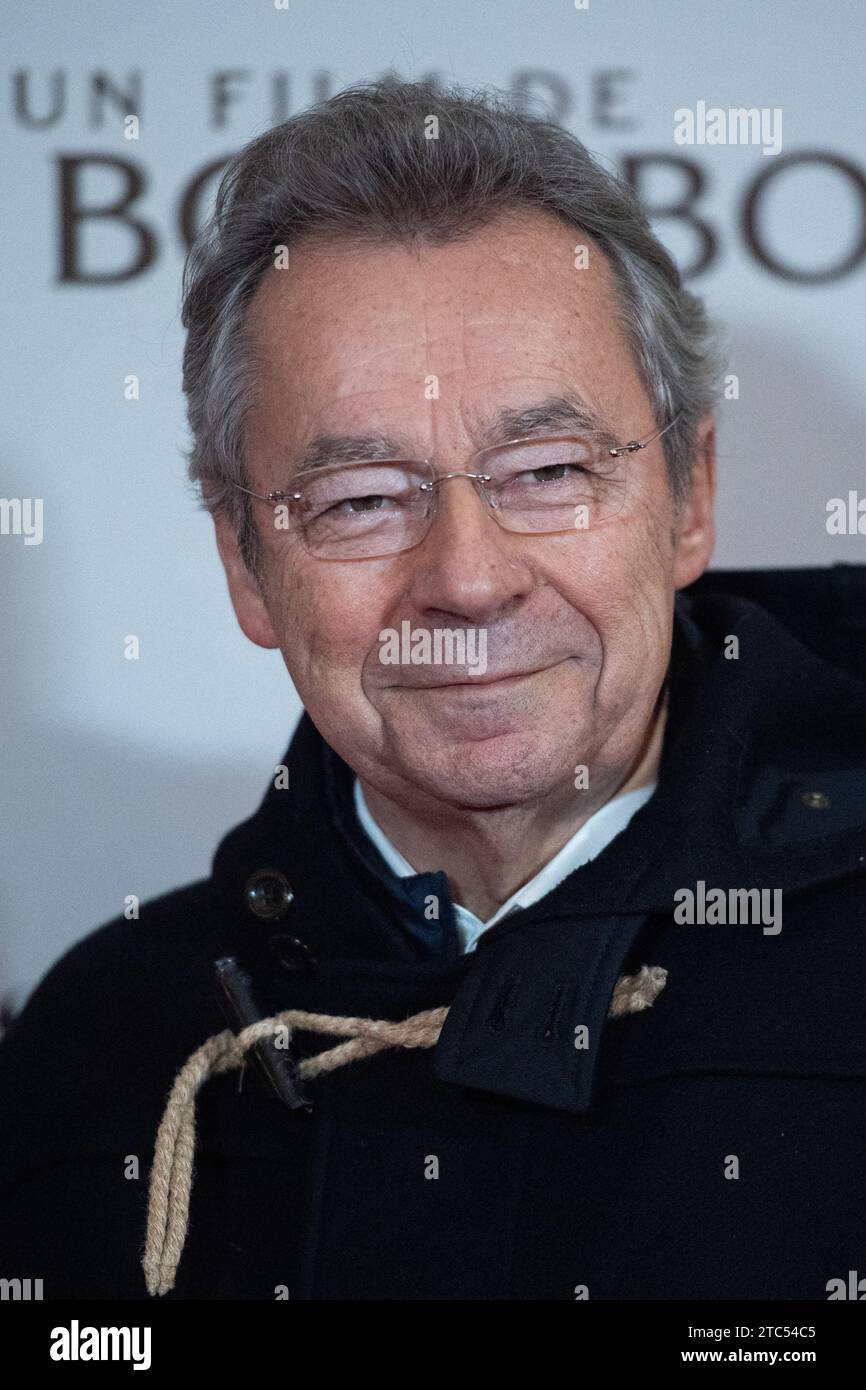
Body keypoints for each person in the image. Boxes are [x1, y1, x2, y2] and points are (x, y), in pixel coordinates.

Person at [2, 77, 865, 1302]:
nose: (466, 579)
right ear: (245, 565)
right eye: (360, 500)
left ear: (688, 497)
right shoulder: (106, 1044)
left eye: (546, 470)